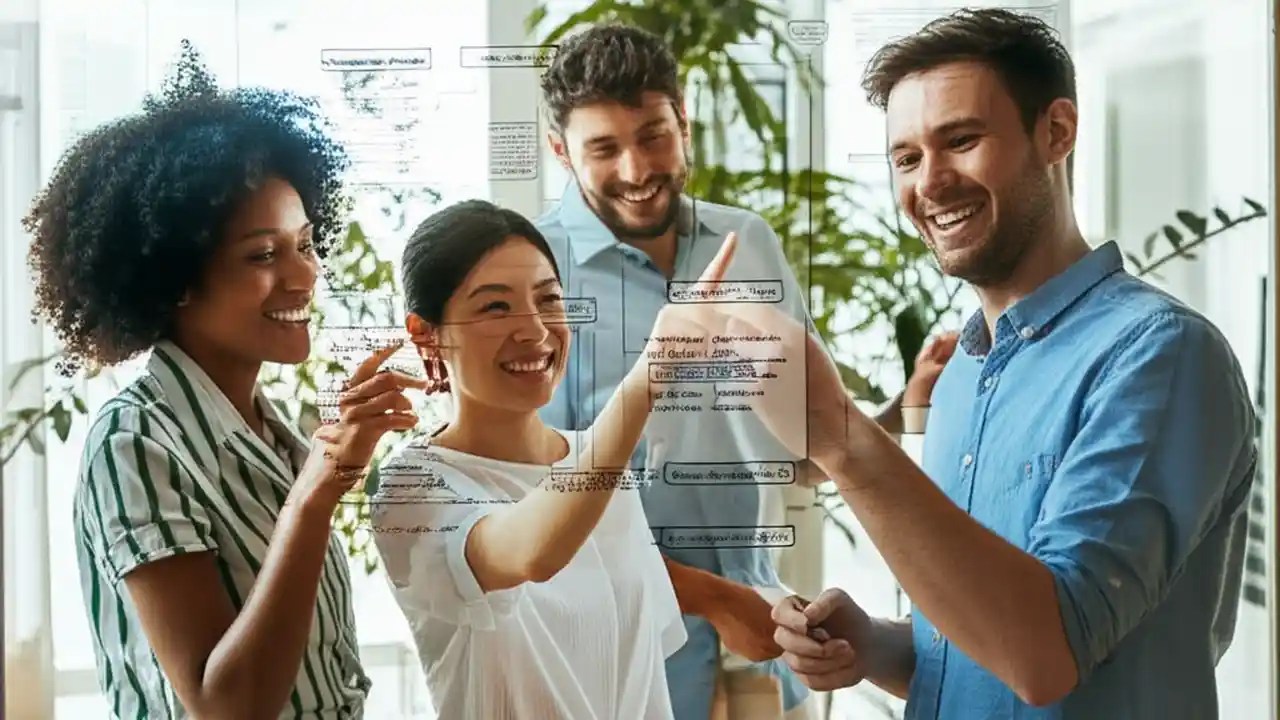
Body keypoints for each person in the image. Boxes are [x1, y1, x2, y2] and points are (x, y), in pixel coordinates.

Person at [765, 8, 1256, 719]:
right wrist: (873, 645)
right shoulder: (964, 371)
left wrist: (843, 440)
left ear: (1056, 131)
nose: (929, 184)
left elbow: (1045, 653)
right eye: (906, 158)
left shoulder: (1159, 357)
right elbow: (977, 647)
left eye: (960, 140)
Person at [532, 23, 955, 719]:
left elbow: (809, 451)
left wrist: (903, 409)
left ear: (683, 120)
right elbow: (542, 515)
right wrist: (712, 600)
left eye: (653, 136)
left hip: (767, 637)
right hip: (621, 658)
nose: (637, 170)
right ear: (560, 151)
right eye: (603, 149)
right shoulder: (534, 271)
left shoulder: (747, 241)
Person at [24, 42, 425, 718]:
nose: (304, 276)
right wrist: (318, 491)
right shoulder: (135, 444)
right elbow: (228, 704)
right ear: (175, 280)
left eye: (305, 245)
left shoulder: (277, 440)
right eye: (264, 254)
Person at [368, 199, 772, 718]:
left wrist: (749, 606)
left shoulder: (594, 460)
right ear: (427, 335)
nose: (535, 332)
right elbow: (534, 552)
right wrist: (652, 372)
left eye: (548, 300)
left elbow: (618, 580)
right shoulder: (414, 488)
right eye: (495, 307)